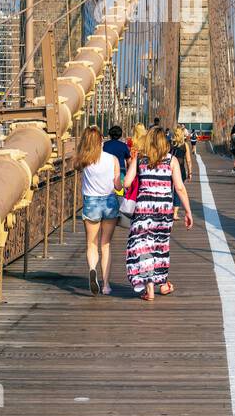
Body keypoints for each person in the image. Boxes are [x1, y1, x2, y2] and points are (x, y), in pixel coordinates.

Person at [123, 126, 193, 300]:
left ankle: (150, 289)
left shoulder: (140, 158)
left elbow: (126, 183)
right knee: (160, 247)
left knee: (144, 247)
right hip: (164, 211)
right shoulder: (172, 160)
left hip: (143, 210)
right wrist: (188, 212)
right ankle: (162, 282)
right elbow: (179, 188)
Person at [75, 125, 122, 296]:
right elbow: (118, 186)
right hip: (109, 202)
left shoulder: (84, 160)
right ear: (102, 140)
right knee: (106, 244)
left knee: (91, 243)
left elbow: (75, 165)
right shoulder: (113, 159)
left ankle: (92, 269)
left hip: (91, 203)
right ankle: (106, 285)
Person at [169, 125, 192, 218]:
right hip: (180, 170)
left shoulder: (169, 144)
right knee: (178, 190)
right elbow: (188, 160)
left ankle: (168, 209)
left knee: (168, 190)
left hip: (168, 169)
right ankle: (175, 213)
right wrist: (190, 172)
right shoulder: (185, 145)